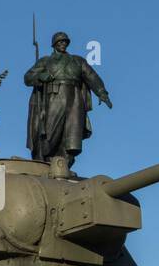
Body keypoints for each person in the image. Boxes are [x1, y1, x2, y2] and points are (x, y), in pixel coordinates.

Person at [25, 31, 113, 165]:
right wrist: (40, 77)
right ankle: (43, 160)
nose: (63, 44)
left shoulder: (78, 61)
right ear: (54, 44)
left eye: (65, 41)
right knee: (50, 133)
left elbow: (91, 76)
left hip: (75, 99)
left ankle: (65, 163)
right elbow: (28, 78)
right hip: (54, 97)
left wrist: (102, 93)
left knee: (72, 134)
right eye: (60, 42)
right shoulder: (45, 61)